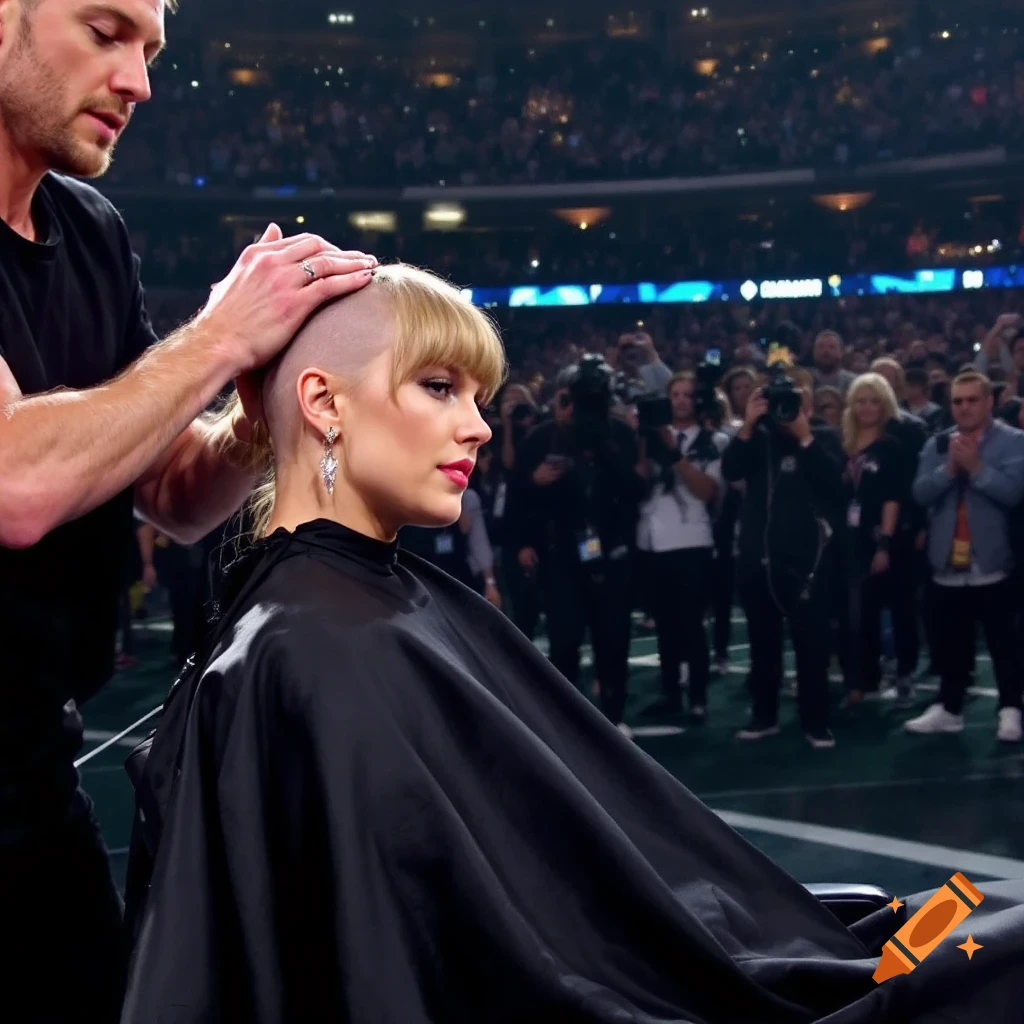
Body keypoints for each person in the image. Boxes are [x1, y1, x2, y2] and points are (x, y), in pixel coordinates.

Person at [120, 264, 1024, 1024]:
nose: (476, 425)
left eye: (479, 397)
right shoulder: (321, 652)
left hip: (662, 959)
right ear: (323, 401)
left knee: (958, 929)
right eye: (438, 388)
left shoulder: (349, 612)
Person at [0, 1, 376, 1018]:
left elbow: (175, 493)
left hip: (29, 765)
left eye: (152, 51)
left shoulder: (88, 229)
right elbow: (15, 485)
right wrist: (216, 336)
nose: (140, 82)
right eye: (104, 31)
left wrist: (254, 409)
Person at [721, 364, 846, 748]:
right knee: (762, 641)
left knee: (812, 644)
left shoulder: (821, 435)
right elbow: (731, 471)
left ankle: (816, 720)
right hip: (759, 555)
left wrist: (804, 435)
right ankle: (764, 715)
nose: (785, 405)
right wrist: (746, 426)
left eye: (794, 396)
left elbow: (834, 482)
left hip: (807, 557)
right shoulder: (755, 438)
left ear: (808, 398)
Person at [908, 371, 1024, 743]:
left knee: (1004, 642)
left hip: (994, 560)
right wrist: (949, 471)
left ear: (989, 402)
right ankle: (949, 708)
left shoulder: (1014, 442)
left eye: (972, 400)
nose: (964, 407)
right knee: (950, 643)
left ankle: (1010, 710)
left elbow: (1013, 493)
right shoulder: (937, 444)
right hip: (946, 561)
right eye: (958, 401)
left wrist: (976, 468)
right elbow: (920, 493)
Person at [838, 374, 906, 707]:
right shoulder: (842, 444)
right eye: (861, 400)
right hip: (840, 540)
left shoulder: (891, 446)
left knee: (863, 614)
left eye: (873, 401)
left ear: (885, 405)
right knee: (844, 613)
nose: (866, 407)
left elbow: (892, 498)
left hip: (871, 540)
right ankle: (852, 678)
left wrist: (885, 544)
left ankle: (864, 681)